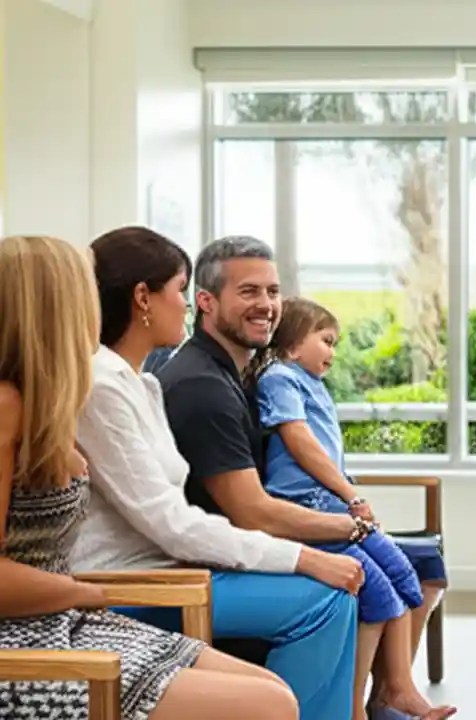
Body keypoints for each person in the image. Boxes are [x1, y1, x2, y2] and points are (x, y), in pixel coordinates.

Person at [70, 226, 367, 720]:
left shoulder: (141, 384)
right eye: (180, 292)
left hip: (169, 568)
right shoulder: (103, 387)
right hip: (129, 584)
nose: (187, 306)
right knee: (324, 601)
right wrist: (302, 558)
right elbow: (171, 522)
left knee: (336, 593)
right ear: (143, 298)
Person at [0, 234, 297, 720]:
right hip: (29, 637)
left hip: (66, 619)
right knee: (270, 705)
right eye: (85, 295)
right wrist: (85, 592)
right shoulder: (7, 407)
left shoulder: (47, 403)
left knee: (271, 688)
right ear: (58, 307)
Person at [154, 235, 447, 719]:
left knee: (411, 567)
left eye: (273, 292)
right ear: (204, 302)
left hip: (244, 539)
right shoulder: (202, 386)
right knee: (346, 587)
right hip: (215, 558)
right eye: (248, 292)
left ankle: (384, 696)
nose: (266, 305)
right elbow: (251, 511)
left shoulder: (238, 373)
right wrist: (351, 525)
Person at [251, 296, 456, 720]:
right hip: (306, 507)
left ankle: (397, 689)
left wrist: (350, 497)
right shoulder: (280, 378)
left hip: (335, 505)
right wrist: (352, 496)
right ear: (292, 344)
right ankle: (353, 708)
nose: (333, 351)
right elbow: (301, 444)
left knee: (405, 578)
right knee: (379, 592)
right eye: (326, 340)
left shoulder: (314, 385)